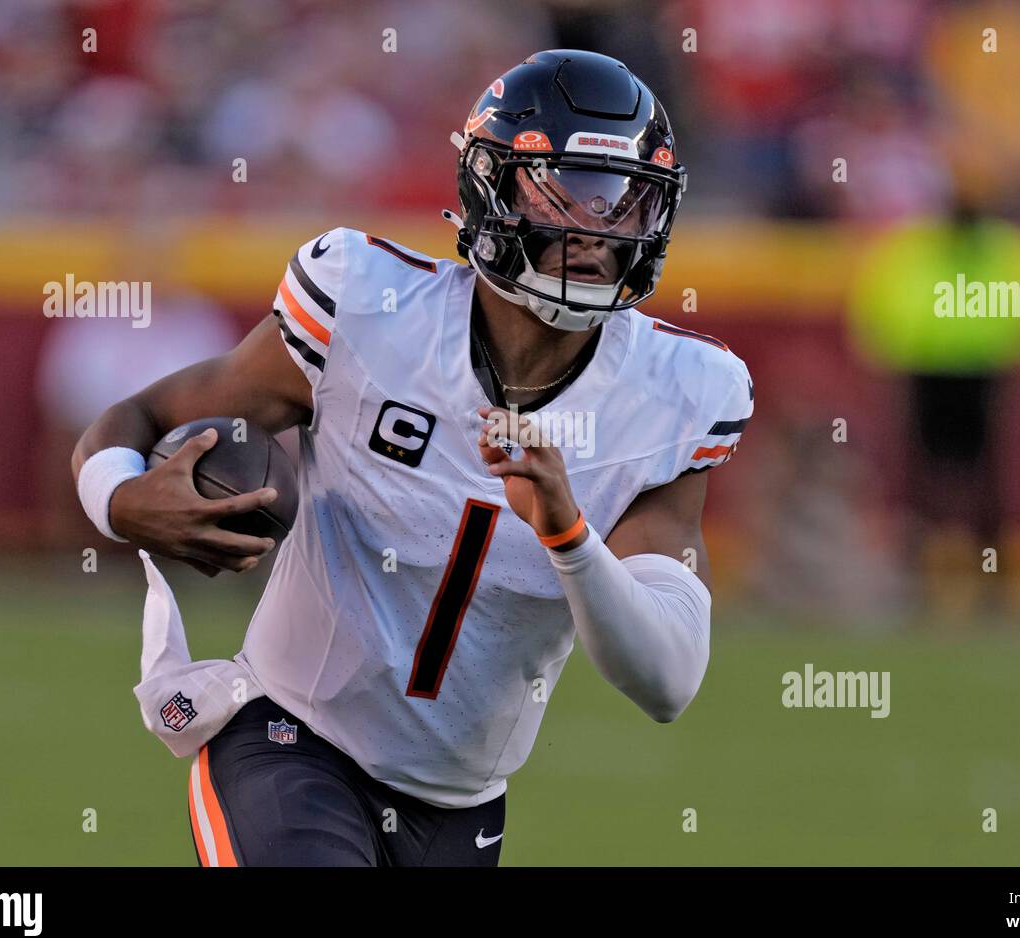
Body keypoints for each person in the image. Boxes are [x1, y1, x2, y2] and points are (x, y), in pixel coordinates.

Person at [71, 50, 752, 867]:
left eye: (625, 201)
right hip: (291, 739)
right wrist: (117, 501)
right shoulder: (368, 308)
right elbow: (143, 414)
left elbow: (667, 680)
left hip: (460, 814)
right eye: (569, 190)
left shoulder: (677, 391)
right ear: (492, 187)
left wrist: (571, 536)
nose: (597, 230)